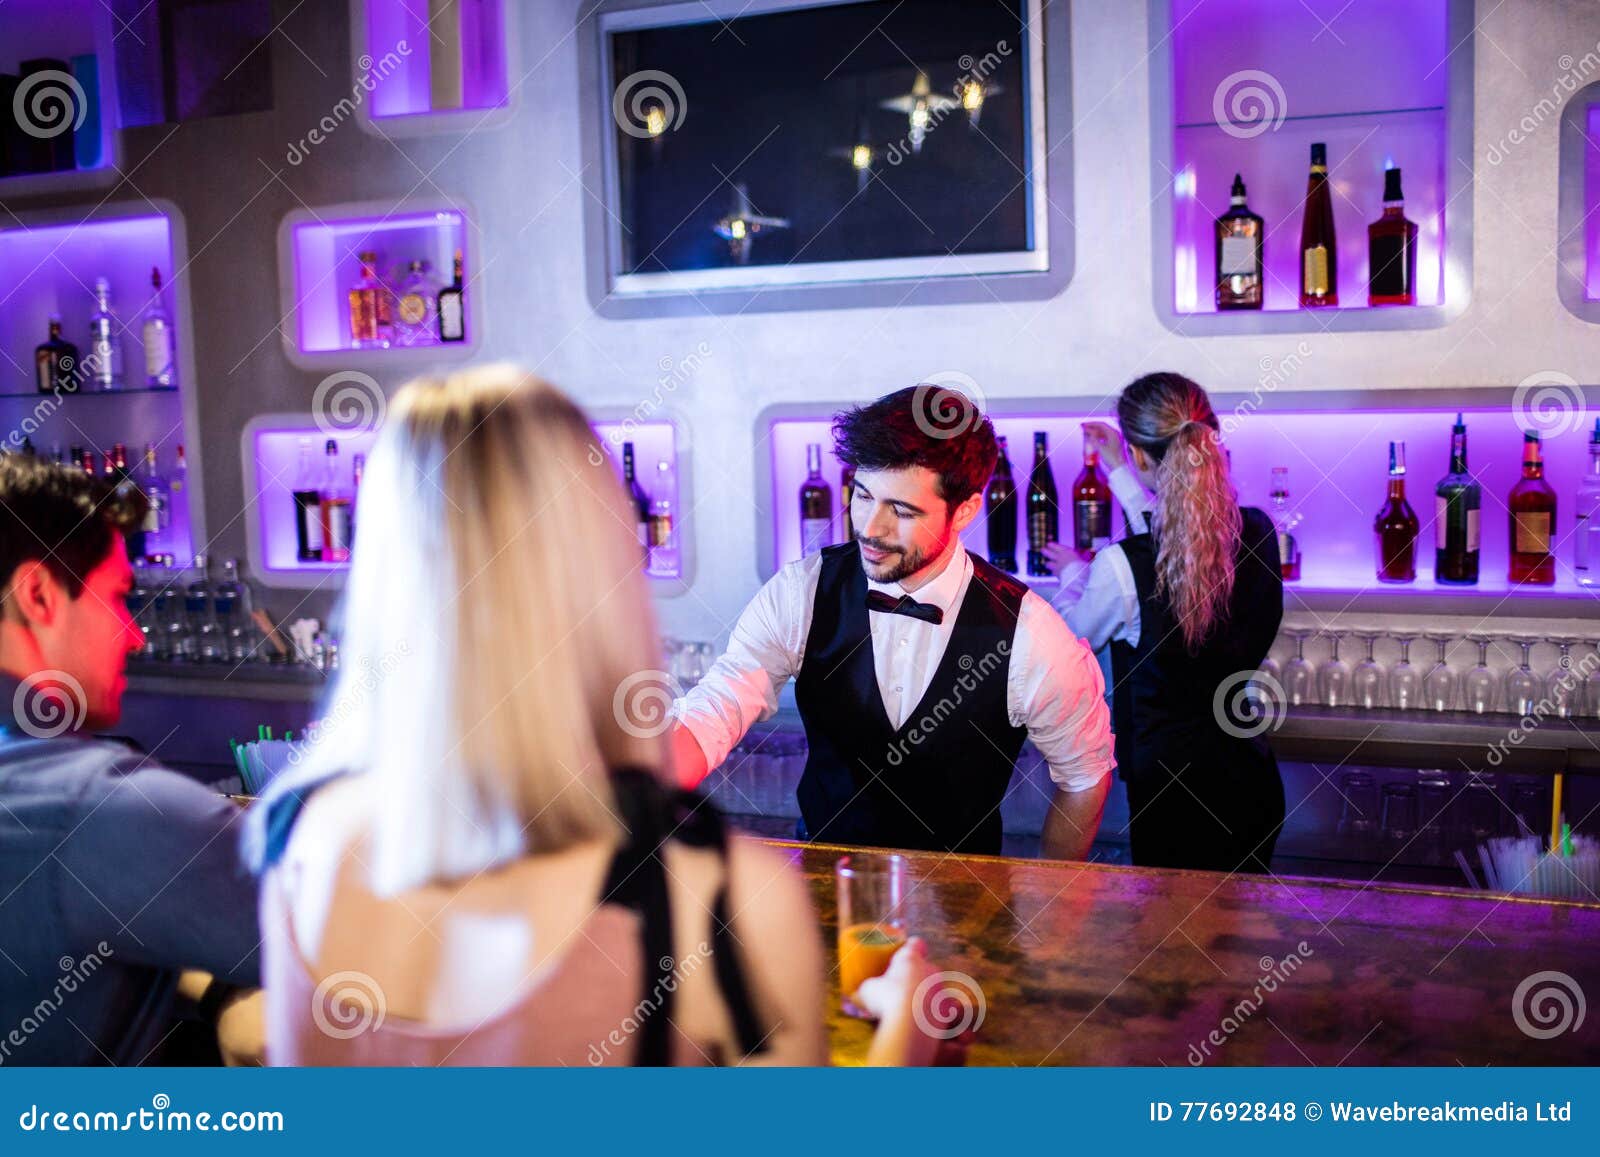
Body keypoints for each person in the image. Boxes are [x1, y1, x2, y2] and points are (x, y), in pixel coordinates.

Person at [248, 366, 956, 1066]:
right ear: (607, 554)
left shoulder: (298, 837)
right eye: (861, 495)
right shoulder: (726, 902)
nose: (870, 522)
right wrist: (907, 1030)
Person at [669, 386, 1114, 860]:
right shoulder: (801, 591)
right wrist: (642, 794)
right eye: (863, 496)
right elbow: (720, 704)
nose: (870, 528)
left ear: (964, 509)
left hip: (971, 907)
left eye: (901, 510)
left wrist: (1055, 905)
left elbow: (1085, 775)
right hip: (826, 891)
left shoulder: (1030, 632)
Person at [0, 456, 259, 1065]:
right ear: (38, 594)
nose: (135, 634)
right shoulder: (93, 808)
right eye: (119, 597)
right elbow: (336, 936)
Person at [1046, 373, 1284, 874]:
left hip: (1171, 798)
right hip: (1251, 781)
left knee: (1173, 946)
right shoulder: (1261, 532)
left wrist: (1072, 574)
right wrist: (1119, 473)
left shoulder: (1120, 567)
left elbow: (1073, 640)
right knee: (1242, 942)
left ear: (1140, 456)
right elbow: (1174, 545)